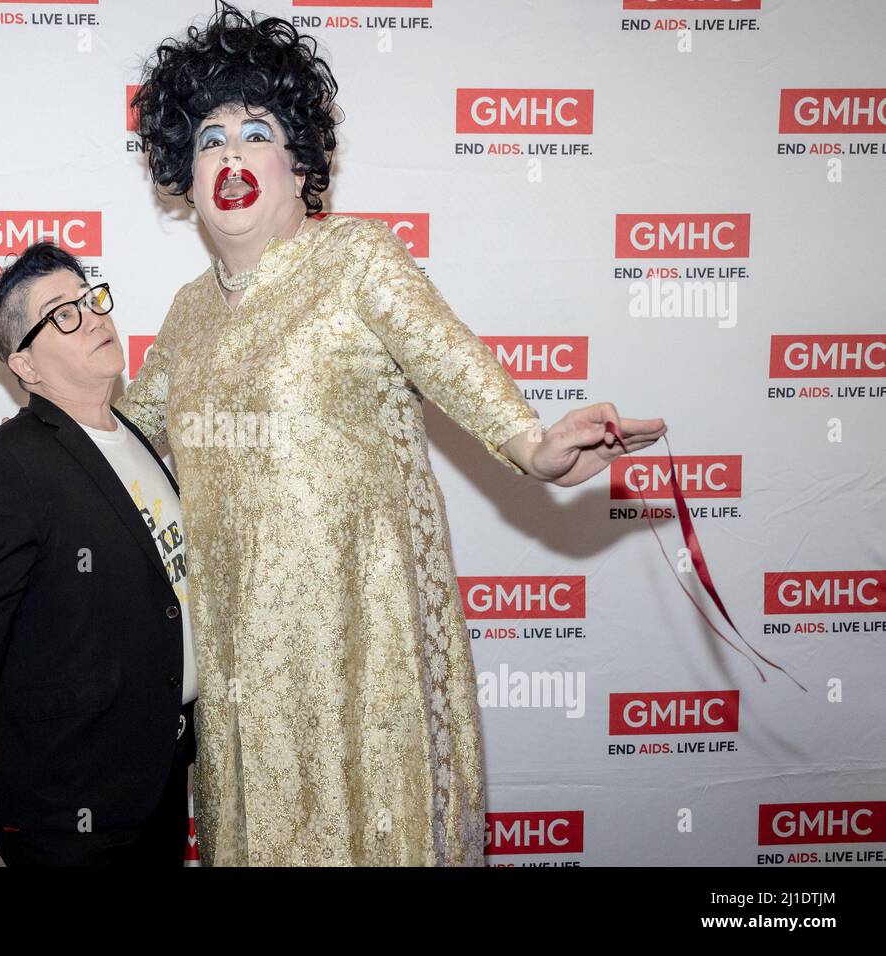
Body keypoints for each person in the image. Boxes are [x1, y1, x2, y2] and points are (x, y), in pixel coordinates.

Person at [112, 3, 667, 865]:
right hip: (233, 667)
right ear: (183, 173)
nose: (230, 155)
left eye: (256, 131)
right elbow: (127, 444)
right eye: (209, 137)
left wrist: (531, 444)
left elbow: (450, 361)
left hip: (359, 651)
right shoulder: (185, 318)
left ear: (300, 167)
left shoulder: (358, 259)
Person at [0, 242, 197, 866]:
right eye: (61, 313)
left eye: (89, 299)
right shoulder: (7, 461)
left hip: (158, 777)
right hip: (69, 795)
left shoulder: (138, 441)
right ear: (25, 365)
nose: (92, 316)